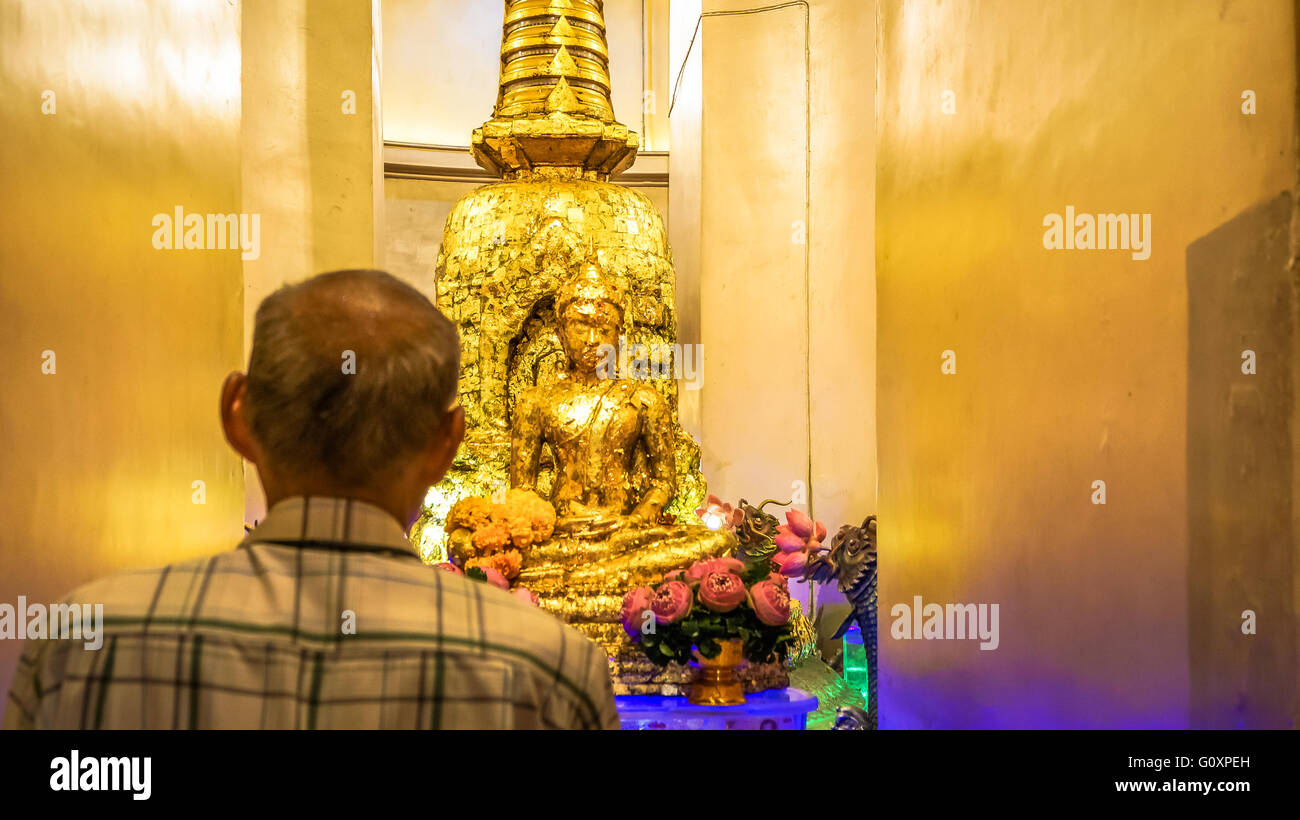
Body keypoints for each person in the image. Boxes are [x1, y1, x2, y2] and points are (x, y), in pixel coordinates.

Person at [3, 269, 620, 730]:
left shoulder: (84, 639)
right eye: (578, 319)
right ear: (447, 444)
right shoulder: (550, 670)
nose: (589, 334)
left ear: (236, 416)